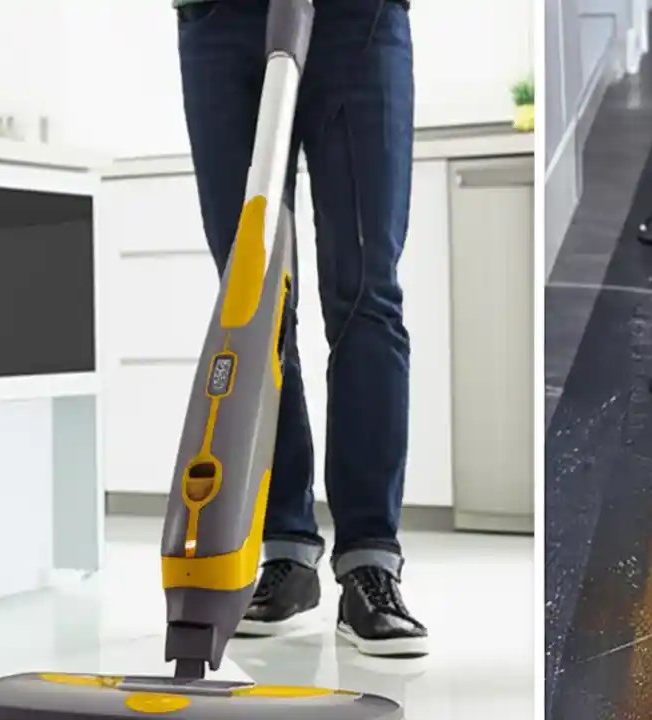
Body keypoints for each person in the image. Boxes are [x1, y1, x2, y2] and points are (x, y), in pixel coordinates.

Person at [174, 0, 427, 657]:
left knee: (365, 293)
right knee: (252, 301)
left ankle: (370, 562)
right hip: (220, 20)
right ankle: (284, 549)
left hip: (356, 19)